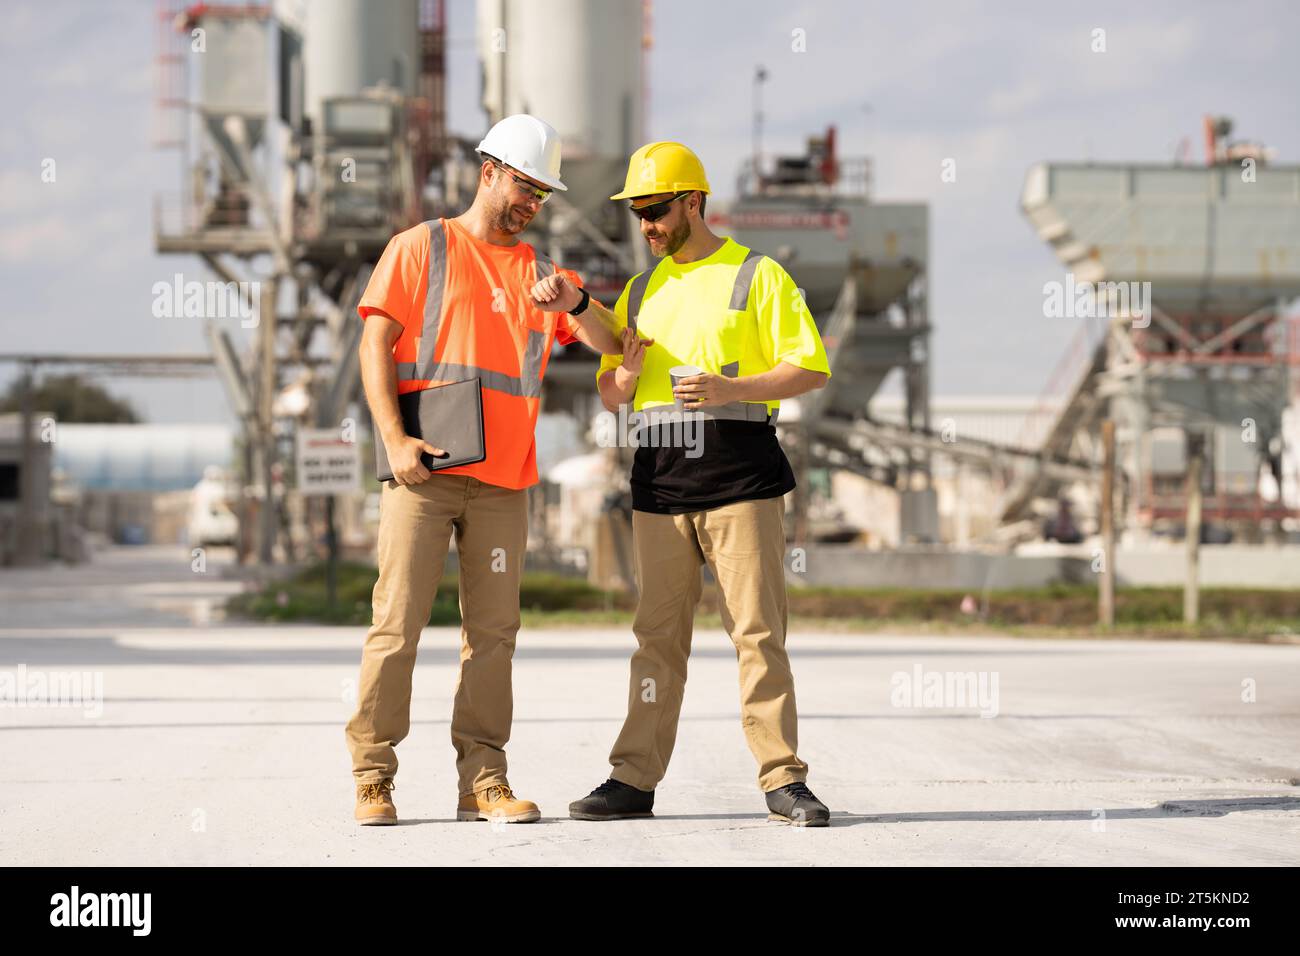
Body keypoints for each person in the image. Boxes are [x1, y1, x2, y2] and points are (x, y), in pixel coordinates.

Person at [346, 114, 622, 826]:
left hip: (506, 483)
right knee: (397, 622)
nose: (532, 203)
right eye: (525, 187)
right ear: (489, 171)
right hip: (423, 473)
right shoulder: (421, 248)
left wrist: (579, 302)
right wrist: (395, 441)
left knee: (493, 636)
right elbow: (374, 347)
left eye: (543, 194)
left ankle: (484, 781)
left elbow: (618, 343)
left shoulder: (543, 275)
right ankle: (373, 776)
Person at [569, 142, 834, 826]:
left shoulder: (757, 275)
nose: (646, 225)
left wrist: (730, 386)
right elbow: (609, 391)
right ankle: (632, 780)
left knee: (757, 634)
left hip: (740, 478)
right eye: (638, 213)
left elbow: (809, 368)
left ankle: (783, 779)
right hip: (659, 485)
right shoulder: (642, 289)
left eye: (655, 210)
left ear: (694, 201)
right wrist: (615, 372)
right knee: (655, 640)